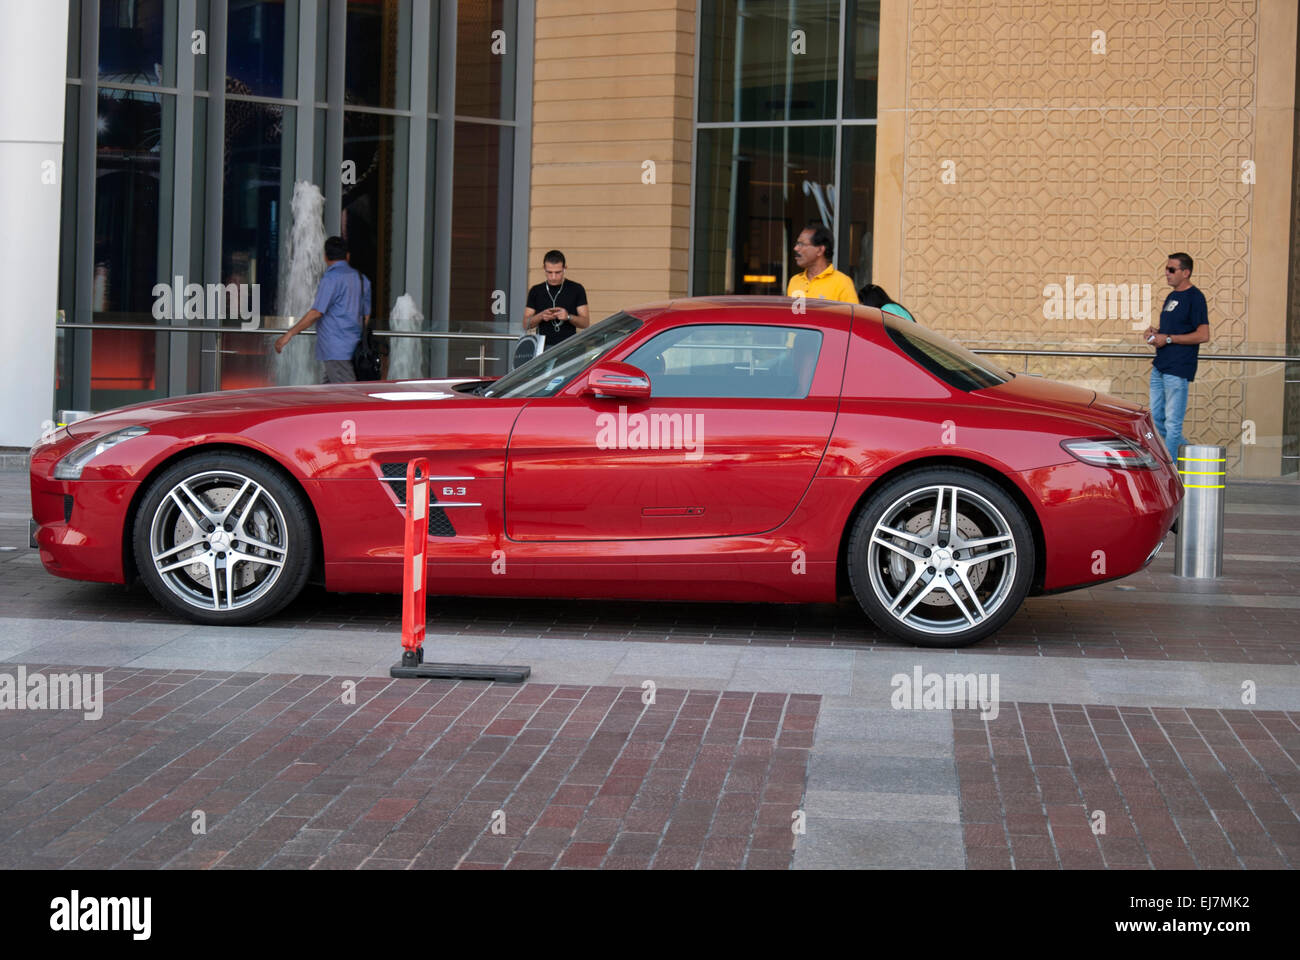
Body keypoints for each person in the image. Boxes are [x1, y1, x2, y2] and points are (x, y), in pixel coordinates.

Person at [274, 236, 372, 383]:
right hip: (355, 346)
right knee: (329, 392)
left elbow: (316, 312)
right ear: (347, 256)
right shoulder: (362, 279)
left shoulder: (331, 278)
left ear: (325, 257)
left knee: (346, 396)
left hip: (335, 349)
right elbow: (366, 316)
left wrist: (289, 334)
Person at [1144, 252, 1210, 457]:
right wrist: (1154, 334)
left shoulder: (1195, 298)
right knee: (1156, 420)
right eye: (1166, 269)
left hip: (1178, 369)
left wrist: (1169, 339)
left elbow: (1203, 334)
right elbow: (1169, 331)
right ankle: (1192, 455)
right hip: (1160, 366)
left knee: (1172, 424)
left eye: (1172, 270)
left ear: (1186, 272)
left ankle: (1169, 473)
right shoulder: (1171, 296)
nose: (1167, 273)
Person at [523, 250, 590, 346]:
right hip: (543, 347)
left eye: (558, 272)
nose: (553, 277)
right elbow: (526, 324)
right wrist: (541, 316)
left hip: (569, 346)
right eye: (549, 272)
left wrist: (568, 317)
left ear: (565, 268)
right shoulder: (536, 290)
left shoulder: (576, 289)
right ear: (544, 268)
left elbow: (585, 323)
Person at [786, 224, 858, 304]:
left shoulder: (842, 283)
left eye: (802, 244)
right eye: (797, 244)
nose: (796, 248)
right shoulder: (794, 281)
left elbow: (853, 315)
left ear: (820, 250)